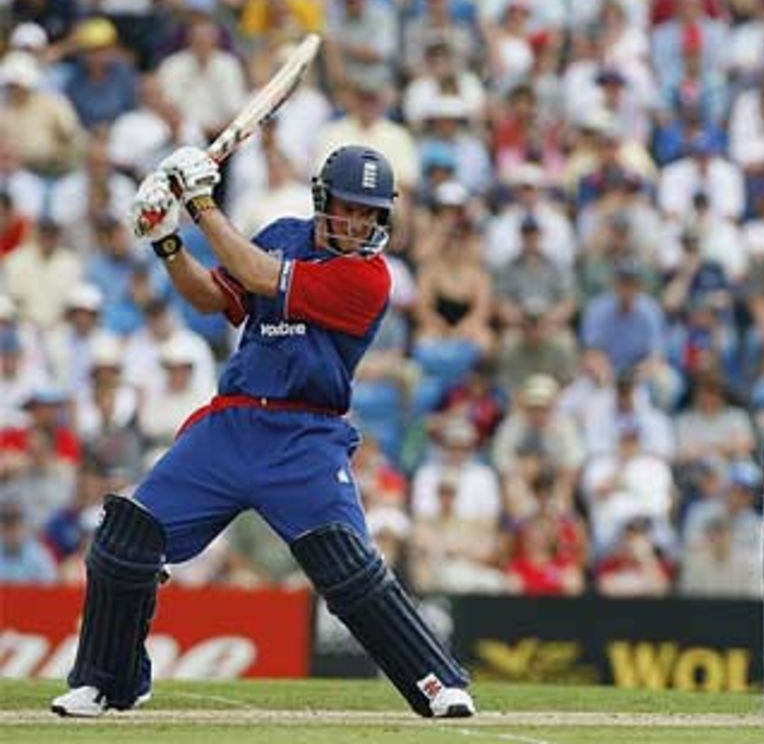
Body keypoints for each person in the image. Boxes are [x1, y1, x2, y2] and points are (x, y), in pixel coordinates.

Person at [51, 144, 475, 719]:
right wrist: (167, 241)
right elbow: (214, 297)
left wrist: (200, 202)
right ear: (324, 201)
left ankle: (437, 681)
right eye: (349, 208)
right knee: (126, 542)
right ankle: (108, 682)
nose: (358, 224)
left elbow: (256, 273)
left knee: (347, 567)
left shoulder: (369, 278)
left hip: (306, 433)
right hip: (234, 421)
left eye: (370, 214)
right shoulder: (280, 232)